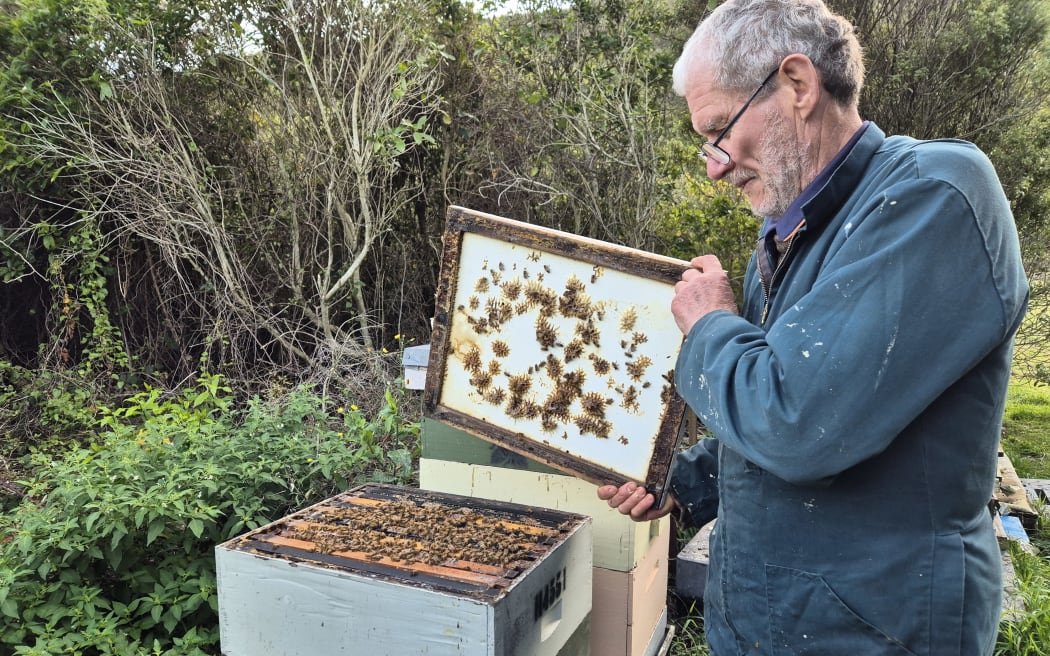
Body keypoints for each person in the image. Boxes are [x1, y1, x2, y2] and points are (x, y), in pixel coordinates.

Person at [597, 0, 1030, 653]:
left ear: (798, 85)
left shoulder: (937, 195)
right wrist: (678, 485)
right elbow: (784, 400)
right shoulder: (786, 240)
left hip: (879, 635)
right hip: (766, 625)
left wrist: (711, 324)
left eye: (719, 129)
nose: (713, 164)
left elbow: (797, 420)